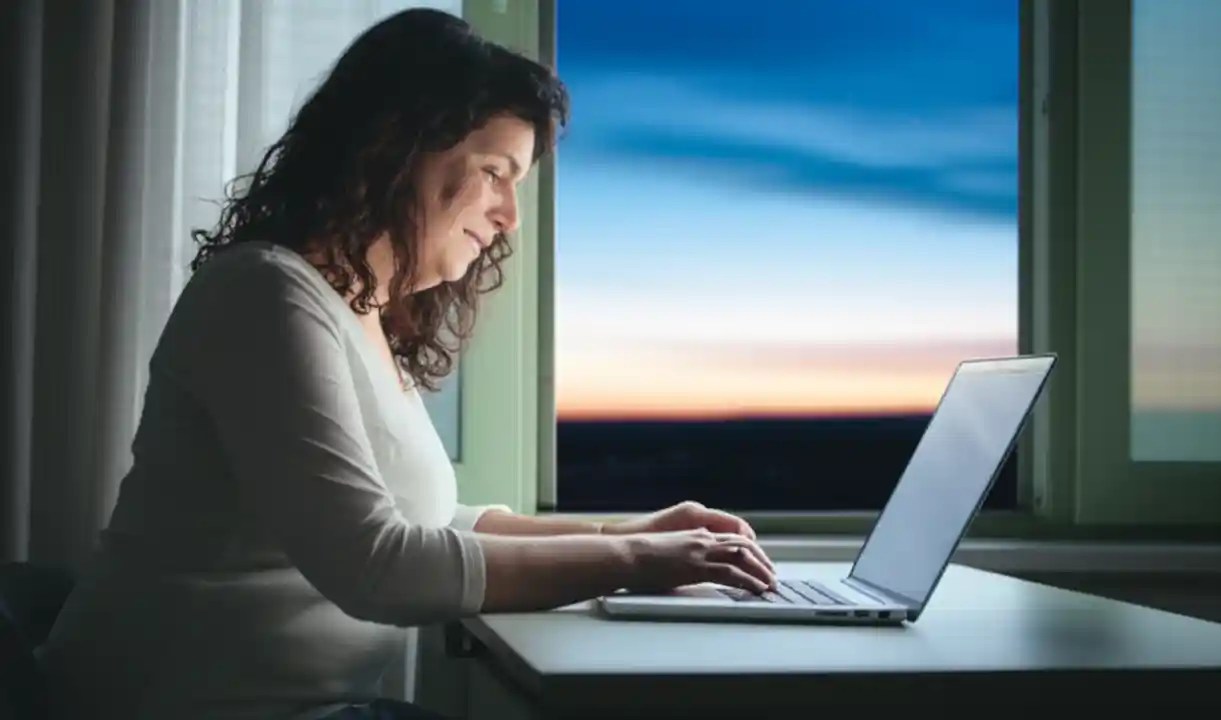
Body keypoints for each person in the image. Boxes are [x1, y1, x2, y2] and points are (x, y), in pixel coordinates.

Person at [34, 8, 776, 720]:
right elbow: (378, 564)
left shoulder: (352, 312)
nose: (510, 216)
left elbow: (425, 521)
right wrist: (638, 560)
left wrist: (624, 534)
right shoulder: (264, 294)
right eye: (494, 172)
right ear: (397, 150)